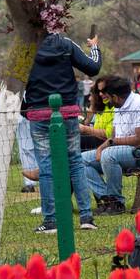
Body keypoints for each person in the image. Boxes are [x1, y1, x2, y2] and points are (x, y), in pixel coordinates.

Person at [23, 29, 101, 234]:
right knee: (75, 162)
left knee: (46, 167)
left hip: (38, 113)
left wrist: (26, 109)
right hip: (66, 112)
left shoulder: (26, 47)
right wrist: (94, 48)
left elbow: (17, 82)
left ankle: (50, 220)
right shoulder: (66, 44)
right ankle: (86, 217)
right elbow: (93, 67)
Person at [83, 75, 140, 215]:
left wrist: (109, 144)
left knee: (109, 155)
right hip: (129, 152)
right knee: (82, 160)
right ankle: (108, 199)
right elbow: (114, 137)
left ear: (115, 96)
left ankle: (117, 203)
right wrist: (102, 147)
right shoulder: (118, 107)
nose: (103, 96)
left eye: (106, 94)